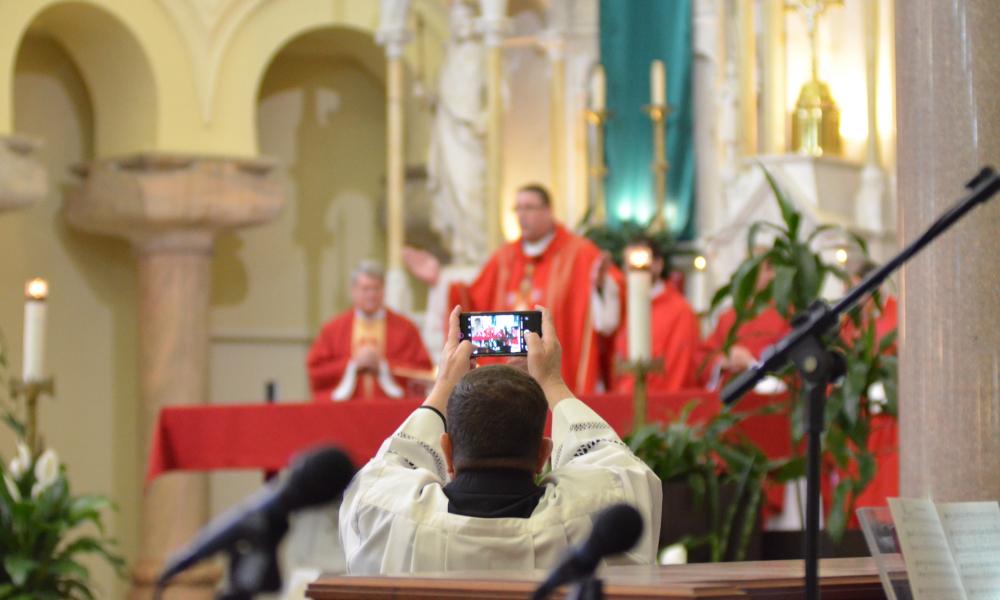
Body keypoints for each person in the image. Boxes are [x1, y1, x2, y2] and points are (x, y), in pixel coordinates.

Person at [339, 306, 662, 574]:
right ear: (542, 454)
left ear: (446, 451)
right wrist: (551, 381)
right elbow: (622, 469)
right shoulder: (595, 515)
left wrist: (443, 385)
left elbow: (383, 471)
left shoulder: (385, 515)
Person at [404, 183, 623, 393]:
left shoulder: (579, 253)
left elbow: (615, 295)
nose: (521, 215)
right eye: (518, 208)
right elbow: (472, 300)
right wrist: (439, 281)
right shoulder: (504, 258)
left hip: (562, 374)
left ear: (548, 211)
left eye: (529, 207)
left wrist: (602, 286)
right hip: (507, 380)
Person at [307, 260, 432, 401]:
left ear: (384, 290)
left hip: (391, 411)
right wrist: (353, 365)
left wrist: (384, 366)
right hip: (345, 411)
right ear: (353, 290)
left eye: (376, 288)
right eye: (365, 289)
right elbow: (316, 371)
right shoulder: (333, 329)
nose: (371, 295)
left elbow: (422, 372)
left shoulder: (406, 329)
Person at [614, 248, 701, 393]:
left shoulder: (680, 311)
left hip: (662, 403)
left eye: (642, 264)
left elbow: (680, 366)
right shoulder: (621, 305)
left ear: (659, 264)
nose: (633, 270)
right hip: (623, 401)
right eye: (628, 264)